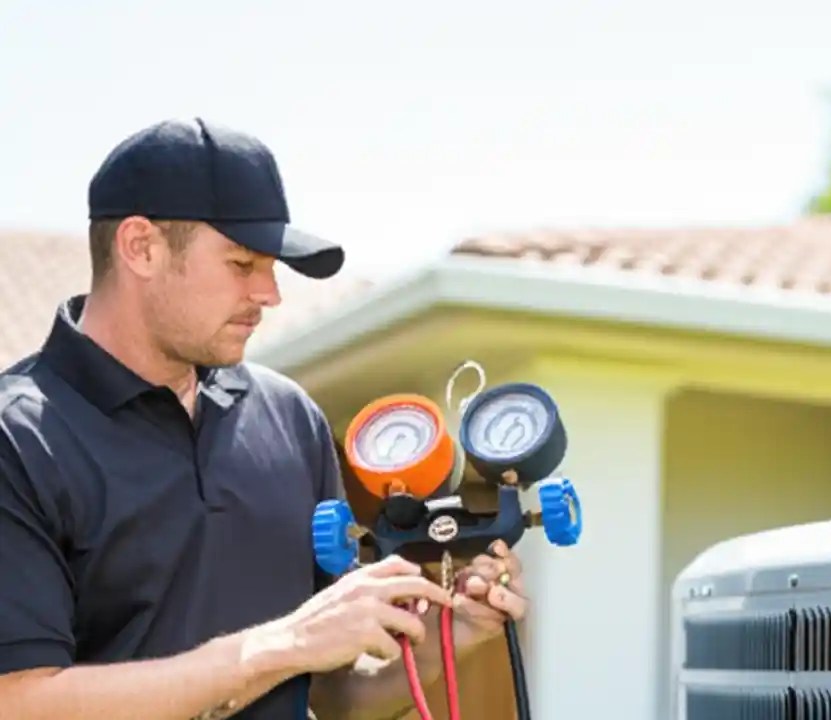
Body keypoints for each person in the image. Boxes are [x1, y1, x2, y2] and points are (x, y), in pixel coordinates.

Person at [0, 118, 528, 719]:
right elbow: (18, 701)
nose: (270, 293)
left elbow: (331, 695)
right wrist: (276, 646)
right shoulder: (18, 439)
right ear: (140, 247)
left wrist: (441, 645)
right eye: (242, 263)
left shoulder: (289, 420)